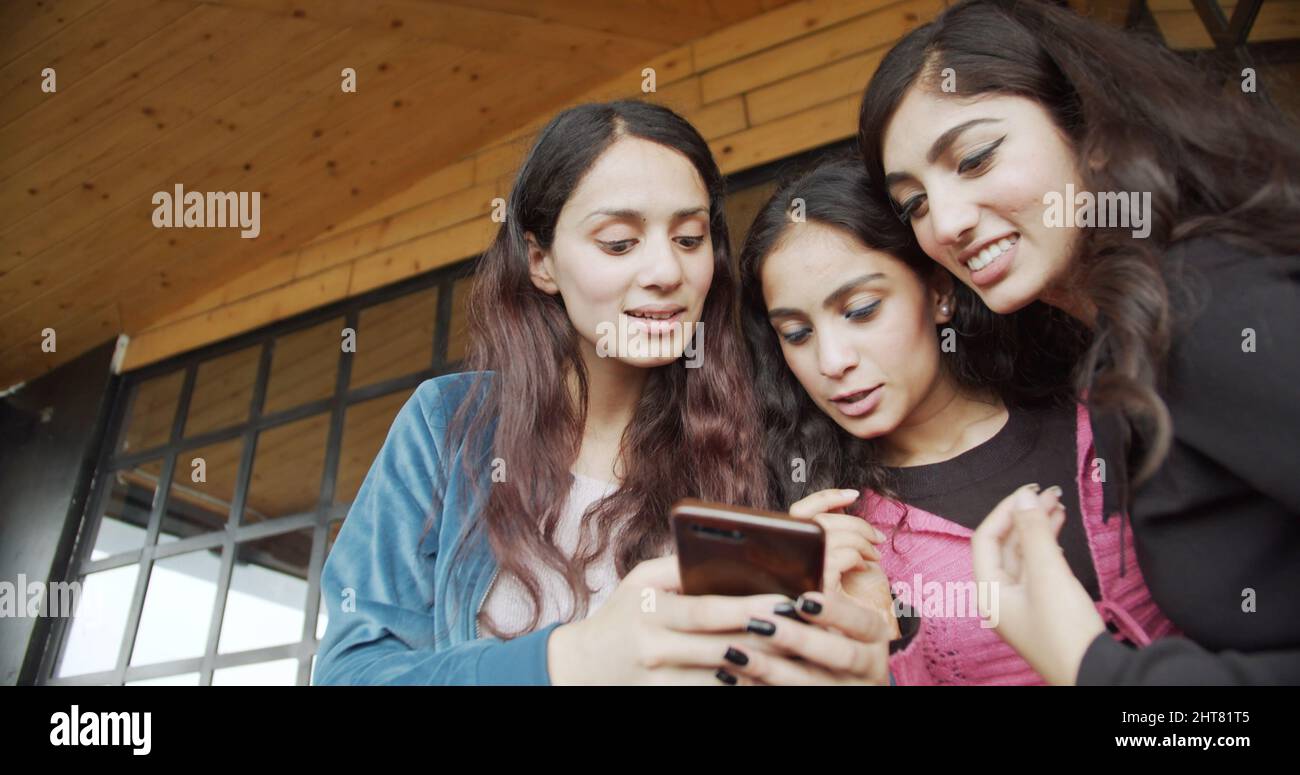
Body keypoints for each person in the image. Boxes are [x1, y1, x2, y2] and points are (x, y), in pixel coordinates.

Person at [313, 101, 890, 686]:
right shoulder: (449, 425)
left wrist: (846, 641)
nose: (667, 271)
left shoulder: (762, 436)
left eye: (690, 239)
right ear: (540, 261)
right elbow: (349, 674)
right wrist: (578, 658)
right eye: (619, 243)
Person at [858, 0, 1300, 684]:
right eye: (912, 202)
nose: (944, 222)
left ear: (1092, 132)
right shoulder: (1115, 340)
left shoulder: (1206, 313)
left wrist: (1085, 664)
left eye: (975, 158)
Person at [740, 158, 1175, 684]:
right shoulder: (832, 531)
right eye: (797, 333)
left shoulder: (1105, 412)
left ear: (940, 293)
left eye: (860, 310)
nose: (832, 361)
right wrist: (869, 648)